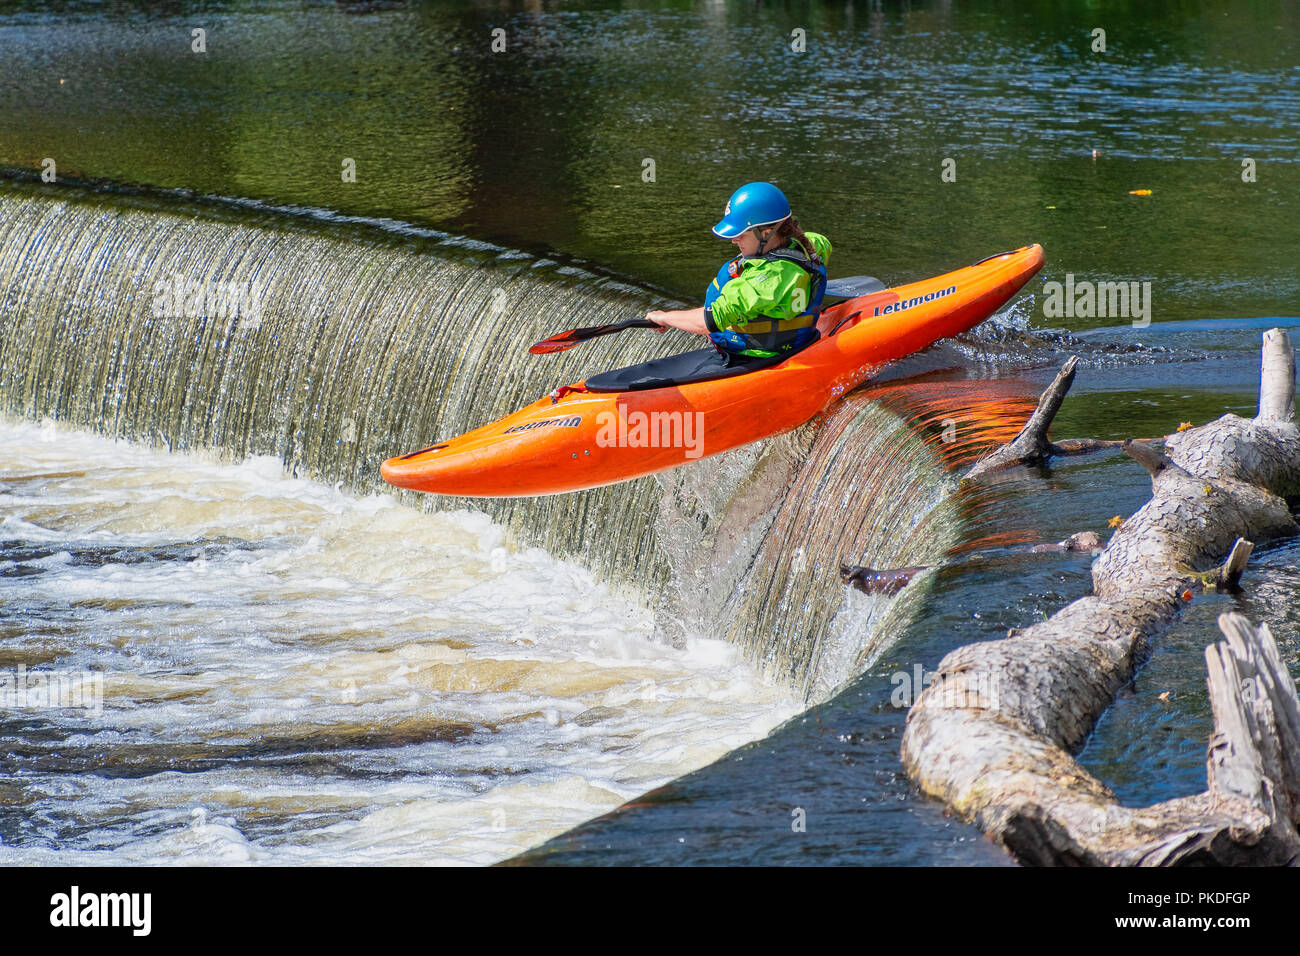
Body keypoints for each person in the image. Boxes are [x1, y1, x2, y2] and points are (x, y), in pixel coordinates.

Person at [646, 182, 832, 361]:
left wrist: (664, 317)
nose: (734, 240)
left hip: (756, 359)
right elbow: (824, 243)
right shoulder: (807, 244)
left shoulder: (765, 282)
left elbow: (708, 322)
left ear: (766, 232)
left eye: (741, 234)